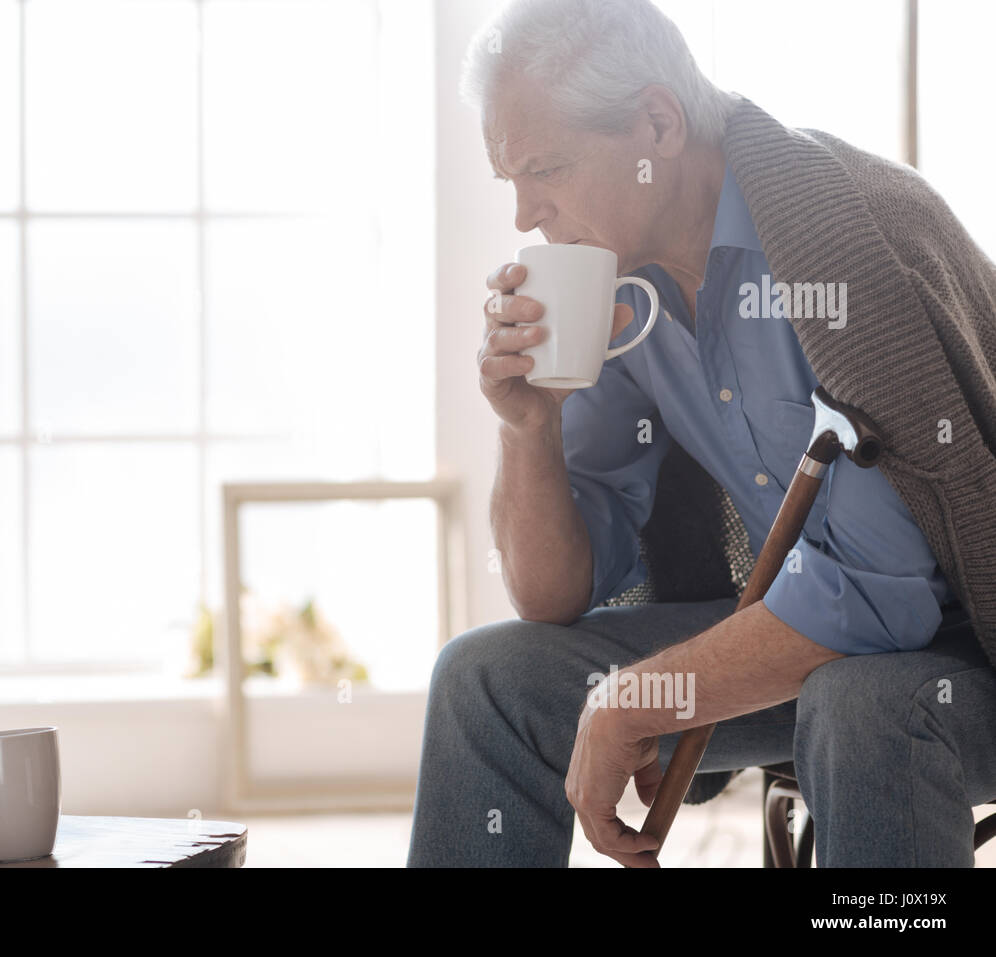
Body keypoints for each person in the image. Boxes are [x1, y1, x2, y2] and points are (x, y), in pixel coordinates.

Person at [407, 0, 996, 867]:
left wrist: (637, 699)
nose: (529, 214)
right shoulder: (623, 285)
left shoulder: (840, 233)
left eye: (549, 169)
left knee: (862, 701)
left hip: (964, 645)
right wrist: (529, 428)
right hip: (809, 636)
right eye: (512, 181)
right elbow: (554, 594)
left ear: (658, 122)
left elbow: (882, 595)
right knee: (484, 681)